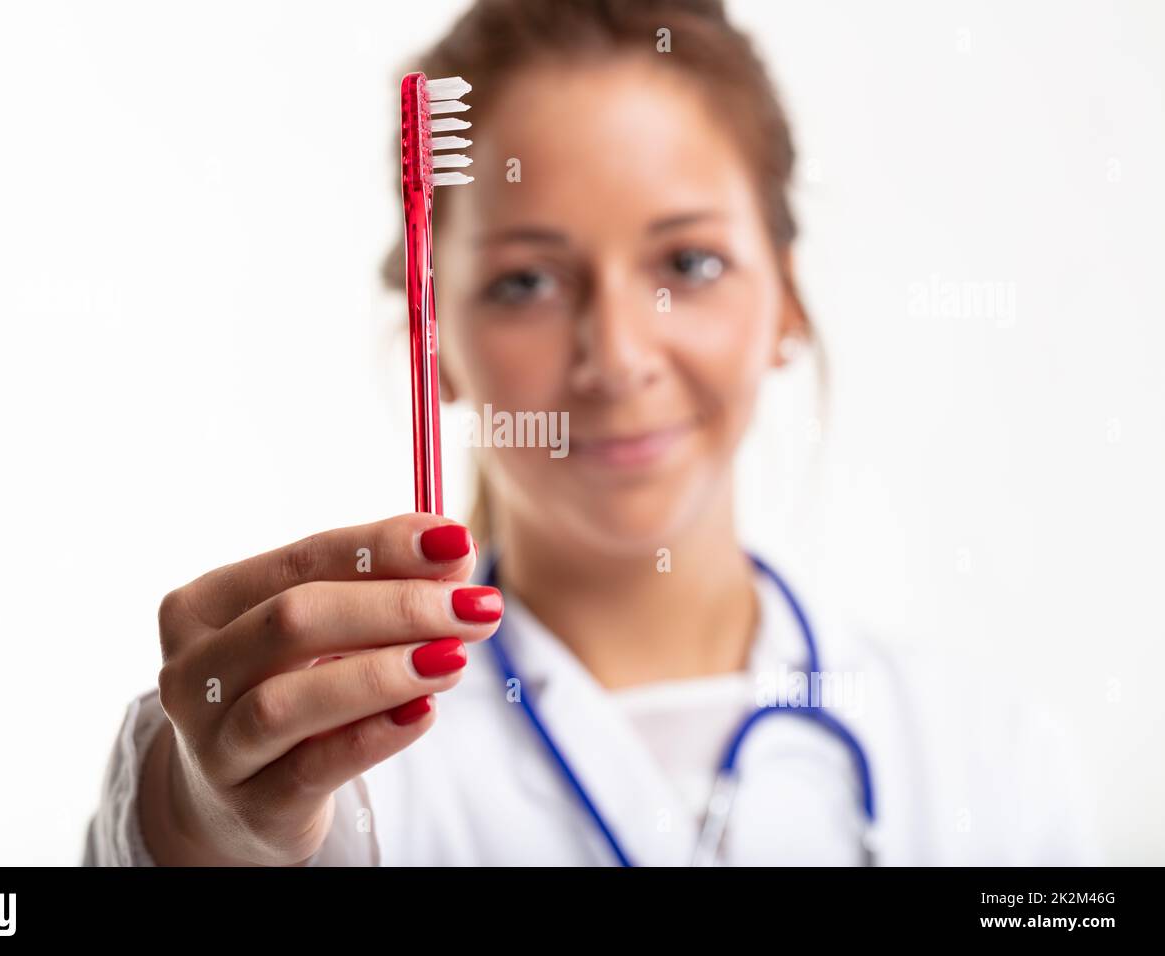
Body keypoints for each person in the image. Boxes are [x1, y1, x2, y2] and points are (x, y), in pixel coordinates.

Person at [82, 0, 1099, 866]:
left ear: (786, 302)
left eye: (688, 264)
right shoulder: (352, 768)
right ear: (436, 339)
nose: (616, 355)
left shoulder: (991, 759)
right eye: (526, 280)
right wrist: (205, 814)